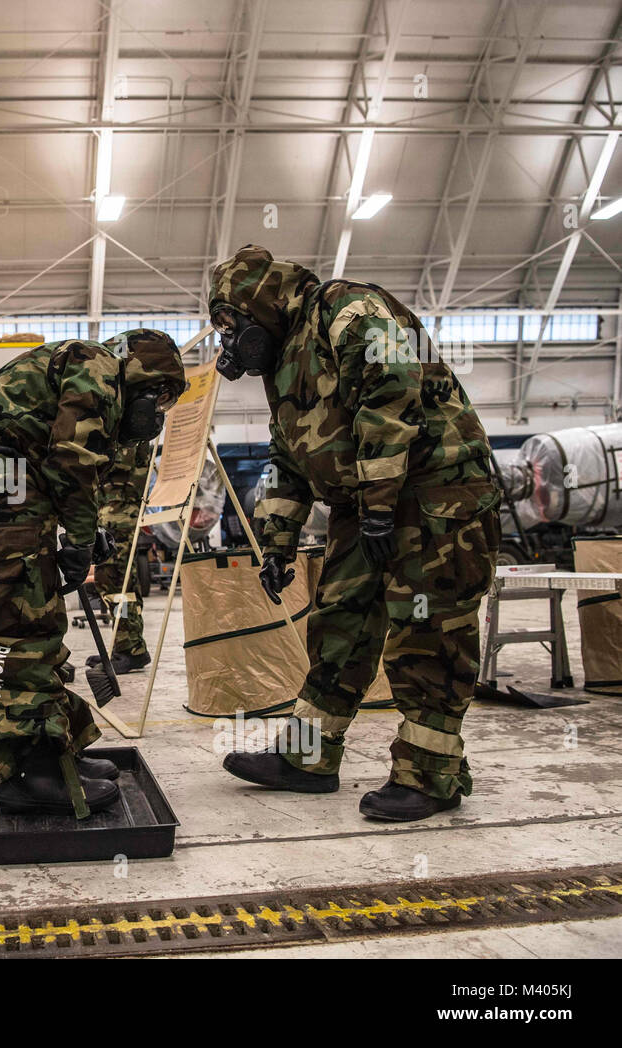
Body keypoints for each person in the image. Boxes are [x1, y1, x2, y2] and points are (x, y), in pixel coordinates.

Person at [209, 244, 499, 822]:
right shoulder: (285, 361)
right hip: (365, 504)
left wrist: (381, 502)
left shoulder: (346, 308)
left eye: (232, 326)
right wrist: (277, 544)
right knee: (339, 624)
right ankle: (308, 759)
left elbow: (391, 389)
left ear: (261, 304)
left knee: (427, 631)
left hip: (434, 495)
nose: (231, 342)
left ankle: (430, 775)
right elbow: (289, 456)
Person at [0, 330, 185, 818]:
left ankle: (53, 751)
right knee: (21, 626)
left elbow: (67, 463)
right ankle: (32, 773)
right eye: (162, 398)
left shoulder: (92, 371)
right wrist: (81, 538)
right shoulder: (99, 366)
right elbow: (74, 459)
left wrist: (87, 531)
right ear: (145, 378)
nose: (159, 414)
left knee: (30, 616)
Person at [87, 437, 153, 673]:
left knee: (116, 585)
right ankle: (126, 644)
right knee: (121, 585)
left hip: (118, 516)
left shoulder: (127, 435)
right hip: (114, 513)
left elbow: (112, 464)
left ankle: (129, 649)